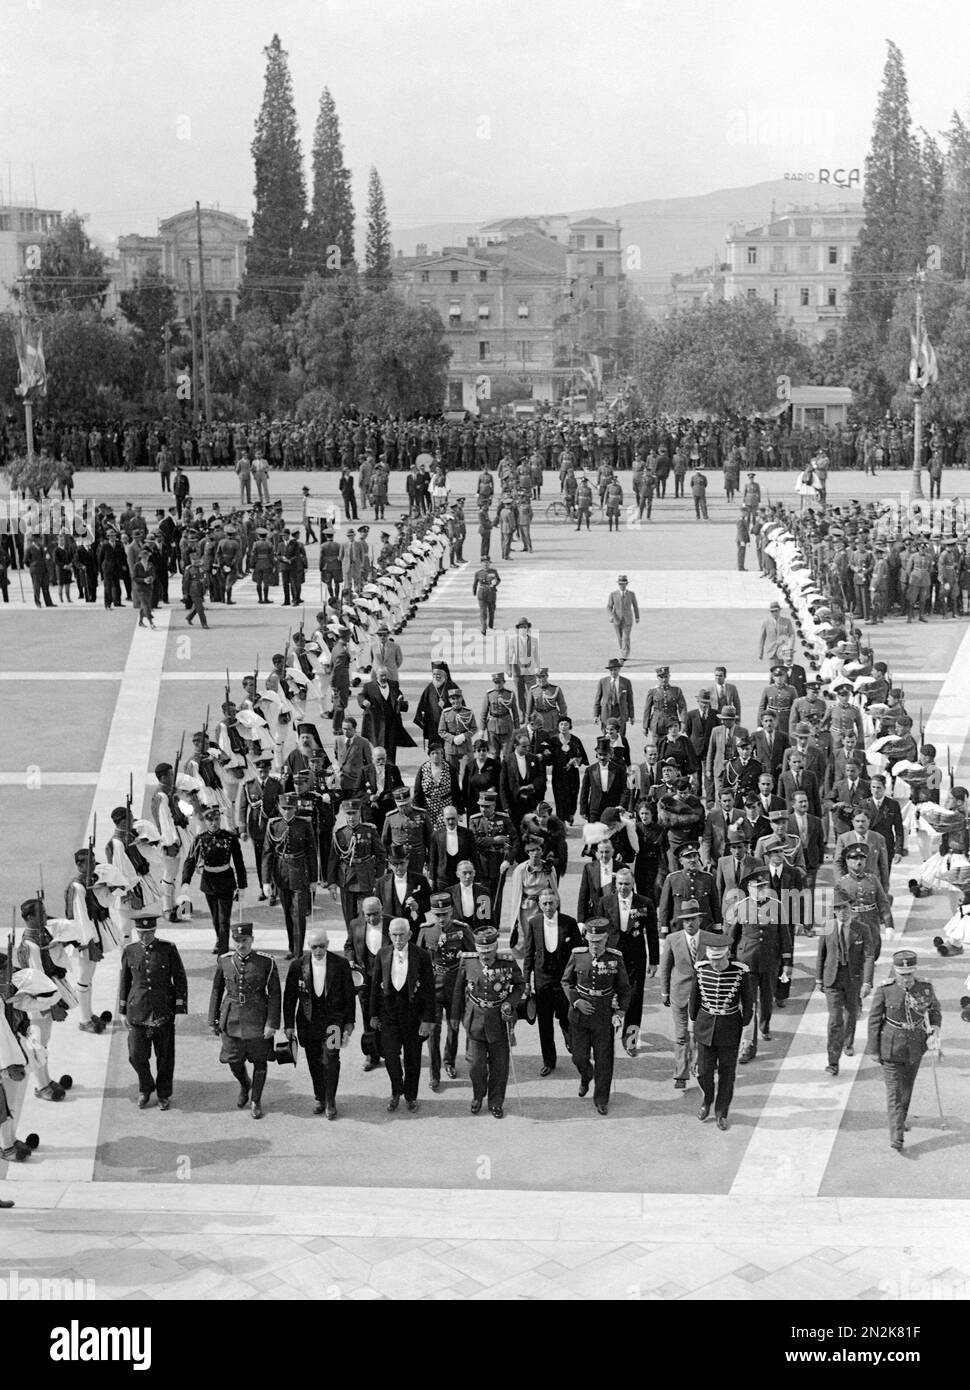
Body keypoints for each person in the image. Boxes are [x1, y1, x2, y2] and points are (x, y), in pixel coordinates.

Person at [866, 949, 942, 1152]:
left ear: (914, 972)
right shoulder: (885, 989)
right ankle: (897, 1136)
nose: (906, 979)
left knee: (907, 1088)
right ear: (895, 972)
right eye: (902, 974)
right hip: (890, 1047)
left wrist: (934, 1030)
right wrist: (873, 1050)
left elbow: (934, 1011)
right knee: (894, 1093)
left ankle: (901, 1119)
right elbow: (874, 1020)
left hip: (916, 1046)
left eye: (909, 974)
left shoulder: (925, 988)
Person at [207, 922, 281, 1120]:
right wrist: (212, 1020)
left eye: (245, 940)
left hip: (257, 1018)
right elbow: (216, 990)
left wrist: (272, 1023)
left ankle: (256, 1100)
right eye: (237, 941)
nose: (241, 945)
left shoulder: (266, 962)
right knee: (233, 1060)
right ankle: (244, 1084)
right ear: (233, 941)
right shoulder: (224, 961)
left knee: (260, 1061)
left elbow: (274, 994)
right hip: (231, 1018)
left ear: (252, 940)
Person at [118, 905, 188, 1111]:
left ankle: (164, 1093)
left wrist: (180, 1009)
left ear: (155, 931)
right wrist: (122, 1009)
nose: (145, 936)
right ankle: (146, 1086)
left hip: (163, 1010)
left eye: (149, 932)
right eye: (141, 933)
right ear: (136, 932)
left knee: (165, 1056)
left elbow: (180, 979)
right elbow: (125, 981)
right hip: (137, 1010)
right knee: (136, 1055)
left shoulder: (168, 949)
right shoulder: (129, 951)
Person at [450, 925, 524, 1118]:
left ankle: (496, 1102)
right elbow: (458, 991)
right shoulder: (468, 962)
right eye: (481, 952)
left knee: (499, 1067)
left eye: (489, 951)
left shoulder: (507, 963)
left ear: (496, 947)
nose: (485, 956)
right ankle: (477, 1096)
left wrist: (510, 1003)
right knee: (475, 1065)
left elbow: (520, 985)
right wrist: (454, 1018)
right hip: (475, 1021)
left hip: (499, 1021)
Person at [282, 925, 355, 1118]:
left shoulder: (340, 964)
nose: (318, 951)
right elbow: (289, 997)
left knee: (331, 1058)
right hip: (308, 1022)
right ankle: (319, 1097)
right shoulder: (298, 966)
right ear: (308, 946)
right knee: (314, 1061)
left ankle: (331, 1101)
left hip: (333, 1022)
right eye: (314, 947)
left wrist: (350, 1022)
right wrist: (288, 1024)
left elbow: (349, 994)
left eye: (322, 946)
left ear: (328, 944)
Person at [560, 917, 631, 1116]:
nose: (594, 946)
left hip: (603, 1016)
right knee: (578, 1056)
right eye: (591, 941)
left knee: (604, 1060)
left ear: (606, 939)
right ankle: (585, 1075)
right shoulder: (578, 955)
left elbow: (624, 989)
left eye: (598, 942)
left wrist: (620, 1012)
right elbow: (566, 981)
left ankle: (601, 1098)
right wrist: (576, 1001)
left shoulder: (614, 958)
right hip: (579, 1015)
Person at [370, 917, 435, 1112]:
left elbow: (430, 990)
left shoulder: (421, 956)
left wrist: (428, 1019)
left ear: (409, 934)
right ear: (389, 935)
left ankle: (410, 1096)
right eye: (394, 935)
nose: (398, 939)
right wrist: (373, 1015)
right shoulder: (382, 954)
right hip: (389, 1015)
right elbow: (374, 986)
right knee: (390, 1055)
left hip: (413, 1015)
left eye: (401, 934)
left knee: (413, 1058)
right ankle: (396, 1090)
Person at [689, 941, 753, 1130]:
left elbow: (748, 1002)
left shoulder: (740, 972)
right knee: (704, 1072)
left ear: (726, 955)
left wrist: (744, 1027)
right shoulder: (701, 970)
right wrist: (694, 1023)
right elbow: (695, 999)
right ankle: (707, 1100)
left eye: (718, 959)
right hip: (705, 1028)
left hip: (729, 1029)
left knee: (727, 1075)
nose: (715, 964)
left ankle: (721, 1112)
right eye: (712, 959)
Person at [415, 892, 476, 1089]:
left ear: (451, 912)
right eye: (437, 915)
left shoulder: (462, 930)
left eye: (445, 914)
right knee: (433, 1031)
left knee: (453, 1027)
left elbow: (473, 957)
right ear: (432, 914)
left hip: (456, 986)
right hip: (432, 988)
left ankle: (449, 1061)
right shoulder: (426, 931)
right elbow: (418, 961)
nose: (441, 919)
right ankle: (434, 1073)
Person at [521, 886, 580, 1076]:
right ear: (539, 905)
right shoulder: (534, 923)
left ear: (557, 903)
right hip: (542, 980)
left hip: (563, 979)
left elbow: (579, 952)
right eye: (544, 903)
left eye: (551, 903)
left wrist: (576, 979)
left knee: (567, 1017)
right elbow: (528, 953)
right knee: (544, 1024)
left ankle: (572, 1044)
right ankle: (549, 1061)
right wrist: (527, 981)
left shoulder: (569, 923)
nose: (548, 907)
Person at [816, 889, 875, 1076]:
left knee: (851, 1014)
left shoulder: (862, 929)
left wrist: (867, 982)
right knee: (835, 1020)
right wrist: (818, 979)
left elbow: (868, 956)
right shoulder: (828, 927)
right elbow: (821, 955)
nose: (843, 912)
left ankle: (848, 1042)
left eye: (845, 907)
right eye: (838, 908)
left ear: (851, 908)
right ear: (834, 911)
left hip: (853, 979)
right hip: (832, 979)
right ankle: (833, 1062)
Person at [181, 805, 248, 955]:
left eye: (217, 820)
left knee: (224, 920)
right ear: (205, 822)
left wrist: (242, 885)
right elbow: (190, 861)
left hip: (226, 881)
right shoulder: (200, 839)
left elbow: (239, 862)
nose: (214, 823)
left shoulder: (229, 838)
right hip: (209, 882)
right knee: (216, 917)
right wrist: (185, 882)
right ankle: (220, 939)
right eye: (210, 821)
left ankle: (223, 952)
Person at [606, 574, 640, 660]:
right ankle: (622, 650)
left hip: (628, 619)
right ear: (618, 584)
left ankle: (625, 655)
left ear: (626, 584)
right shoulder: (613, 594)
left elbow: (635, 606)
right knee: (620, 637)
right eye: (620, 584)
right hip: (617, 619)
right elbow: (609, 607)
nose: (622, 585)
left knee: (626, 637)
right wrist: (611, 616)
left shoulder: (631, 594)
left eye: (623, 583)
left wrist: (637, 617)